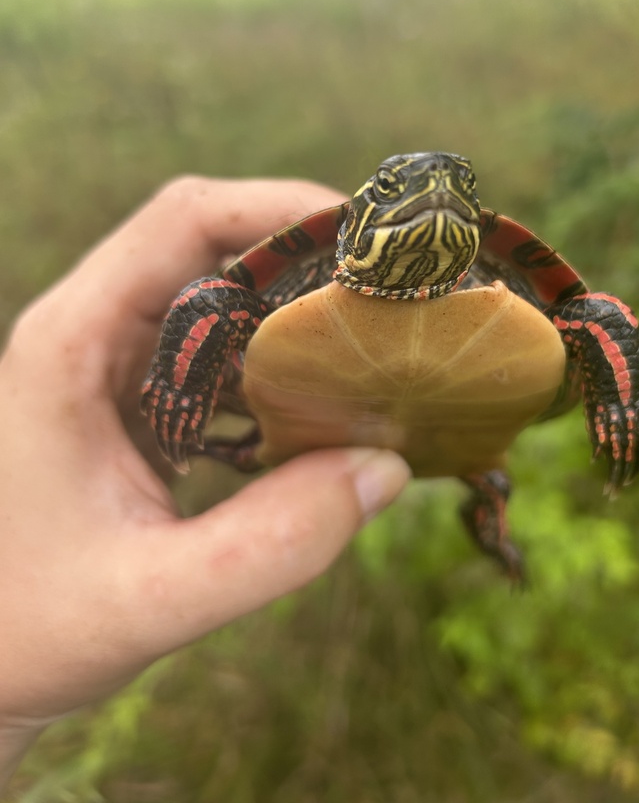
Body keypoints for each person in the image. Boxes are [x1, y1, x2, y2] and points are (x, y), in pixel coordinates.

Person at [0, 177, 411, 787]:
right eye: (395, 188)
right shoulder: (288, 290)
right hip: (298, 404)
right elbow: (213, 299)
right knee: (211, 300)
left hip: (458, 400)